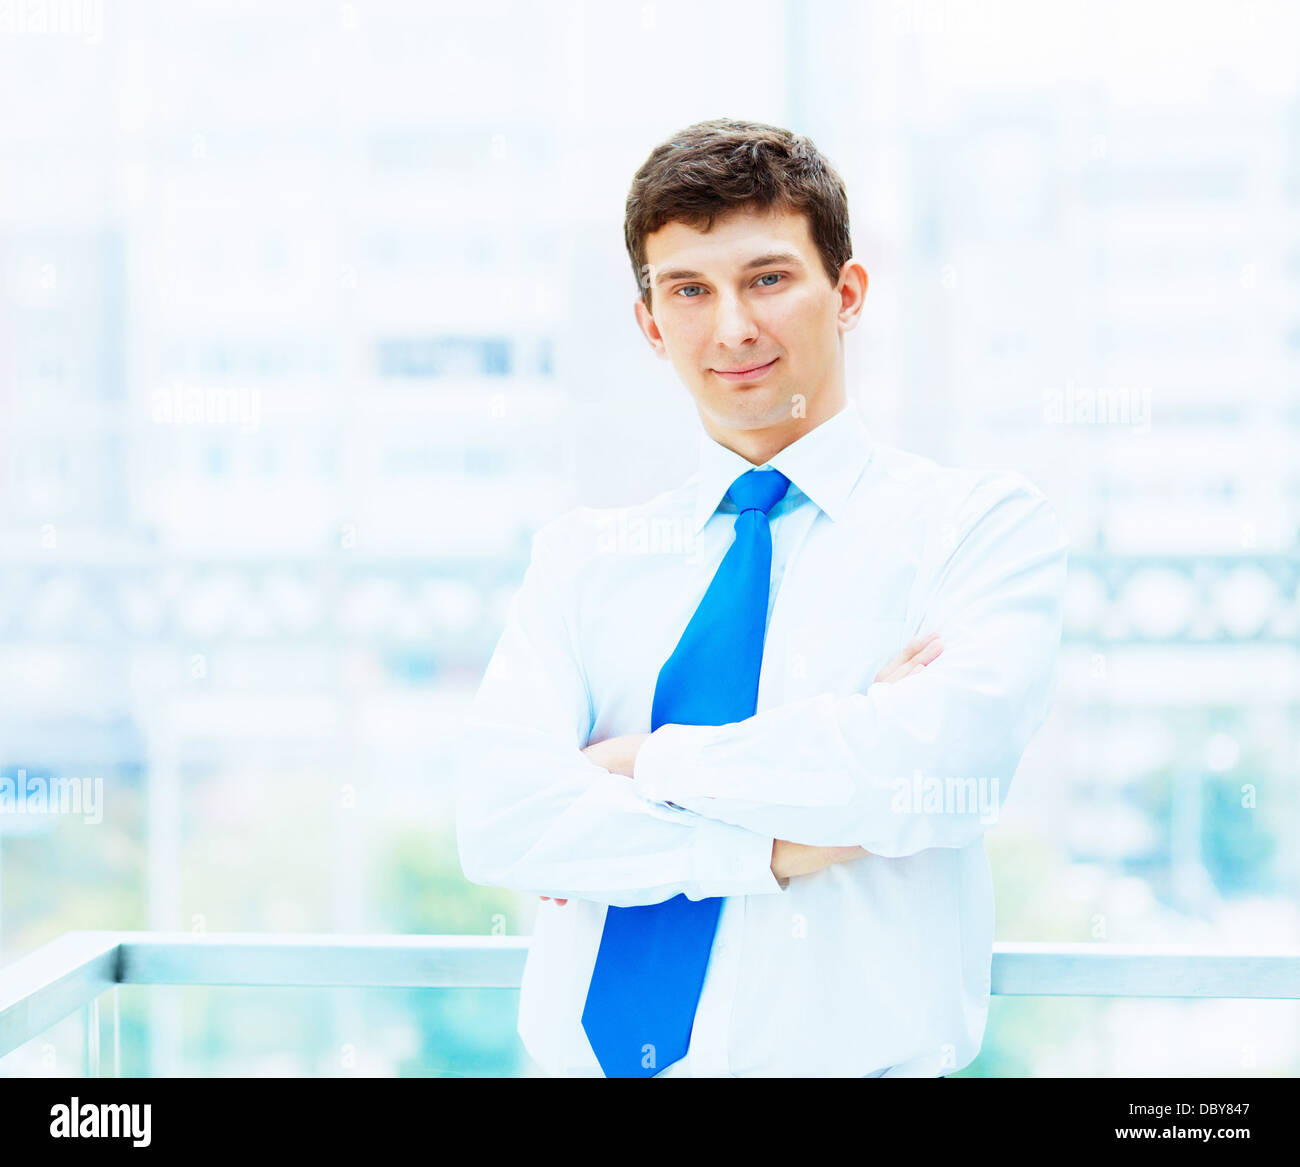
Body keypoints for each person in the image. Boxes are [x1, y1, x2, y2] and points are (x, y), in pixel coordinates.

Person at [455, 118, 1069, 1078]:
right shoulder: (583, 558)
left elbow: (932, 769)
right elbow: (501, 817)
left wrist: (641, 762)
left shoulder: (975, 527)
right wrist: (776, 845)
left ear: (848, 293)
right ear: (650, 323)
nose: (732, 326)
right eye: (689, 290)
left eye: (768, 278)